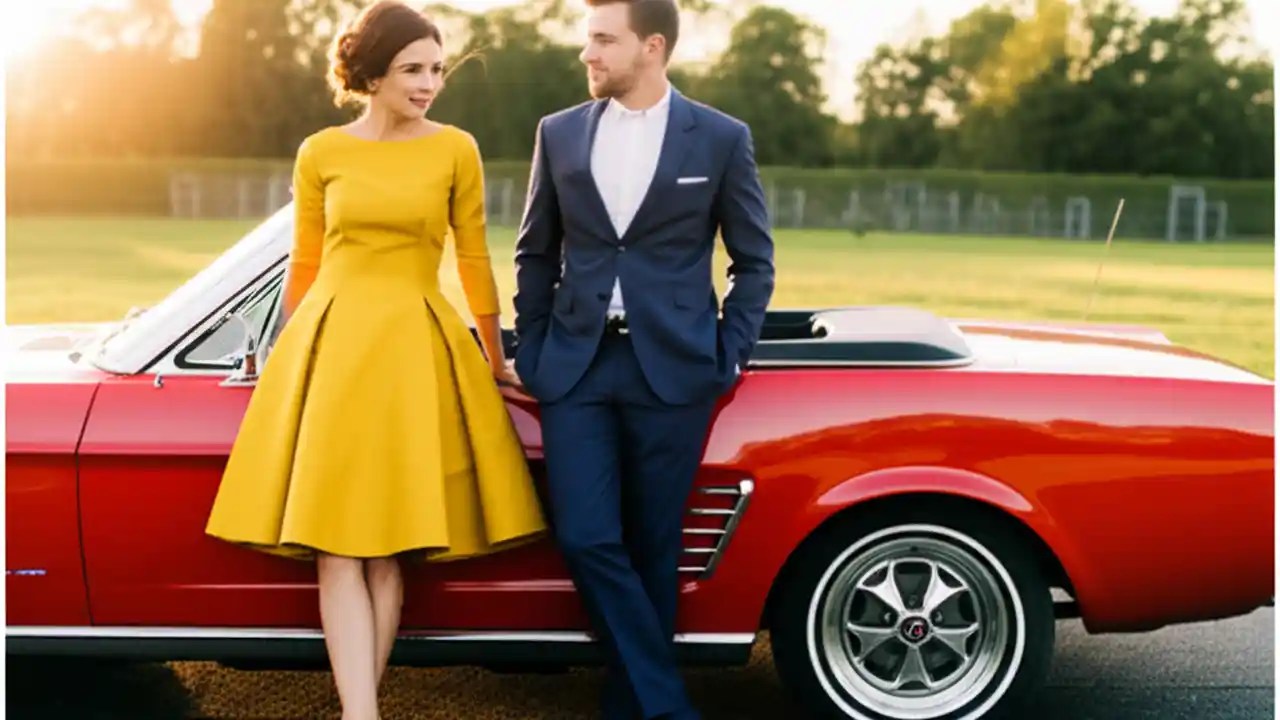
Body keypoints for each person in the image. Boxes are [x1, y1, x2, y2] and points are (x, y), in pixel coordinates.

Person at [204, 3, 546, 719]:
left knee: (388, 549)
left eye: (436, 70)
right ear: (372, 74)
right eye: (412, 70)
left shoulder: (456, 148)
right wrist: (286, 352)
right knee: (337, 546)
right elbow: (304, 260)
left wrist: (496, 352)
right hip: (332, 348)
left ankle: (360, 712)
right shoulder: (321, 151)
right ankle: (363, 714)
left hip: (415, 344)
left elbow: (476, 257)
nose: (429, 84)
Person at [511, 0, 775, 717]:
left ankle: (631, 705)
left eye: (603, 39)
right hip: (576, 368)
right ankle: (667, 704)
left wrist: (728, 355)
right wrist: (532, 348)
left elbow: (753, 262)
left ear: (651, 46)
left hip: (678, 369)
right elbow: (535, 250)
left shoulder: (720, 138)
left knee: (655, 546)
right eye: (588, 39)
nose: (587, 54)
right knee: (587, 534)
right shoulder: (559, 133)